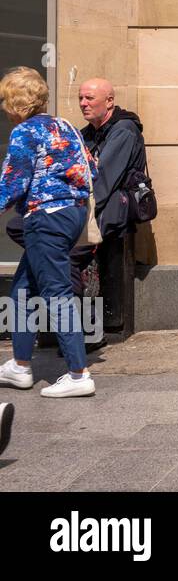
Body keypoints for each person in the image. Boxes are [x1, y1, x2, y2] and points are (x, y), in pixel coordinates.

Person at [0, 67, 97, 397]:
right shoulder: (64, 126)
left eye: (4, 100)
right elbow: (91, 170)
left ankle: (78, 373)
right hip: (71, 214)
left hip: (45, 217)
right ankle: (20, 366)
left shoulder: (24, 132)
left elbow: (13, 183)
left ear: (15, 103)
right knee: (23, 290)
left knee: (56, 293)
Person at [75, 78, 147, 337]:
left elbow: (103, 179)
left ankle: (105, 321)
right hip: (98, 209)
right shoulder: (87, 133)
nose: (83, 103)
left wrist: (77, 212)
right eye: (81, 98)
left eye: (89, 98)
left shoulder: (124, 130)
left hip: (113, 212)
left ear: (109, 102)